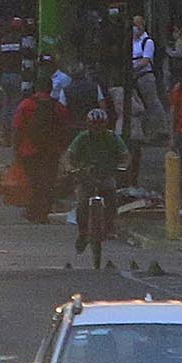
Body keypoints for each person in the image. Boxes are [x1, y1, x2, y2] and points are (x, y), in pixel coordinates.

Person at [64, 107, 130, 255]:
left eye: (100, 124)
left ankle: (109, 226)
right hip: (86, 177)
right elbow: (69, 155)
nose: (97, 127)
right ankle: (82, 233)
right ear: (88, 124)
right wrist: (71, 168)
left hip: (106, 175)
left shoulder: (112, 137)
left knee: (112, 197)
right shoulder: (82, 138)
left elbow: (125, 155)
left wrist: (122, 167)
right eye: (94, 124)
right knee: (82, 204)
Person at [10, 85, 61, 223]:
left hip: (29, 150)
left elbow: (17, 128)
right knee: (48, 181)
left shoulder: (26, 105)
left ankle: (33, 210)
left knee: (33, 181)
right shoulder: (57, 106)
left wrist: (16, 148)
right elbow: (63, 127)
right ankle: (44, 212)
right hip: (51, 151)